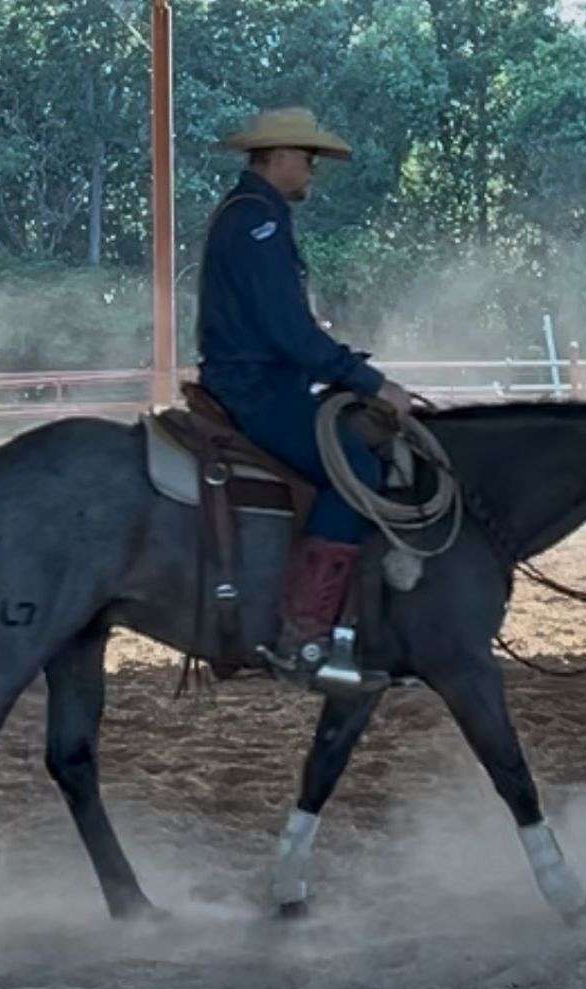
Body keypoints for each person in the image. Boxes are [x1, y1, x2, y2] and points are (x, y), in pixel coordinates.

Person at [195, 107, 411, 676]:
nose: (312, 169)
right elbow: (287, 332)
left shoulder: (253, 214)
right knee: (356, 470)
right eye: (308, 157)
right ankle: (304, 637)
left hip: (258, 379)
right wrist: (367, 380)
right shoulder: (256, 223)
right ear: (281, 156)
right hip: (257, 387)